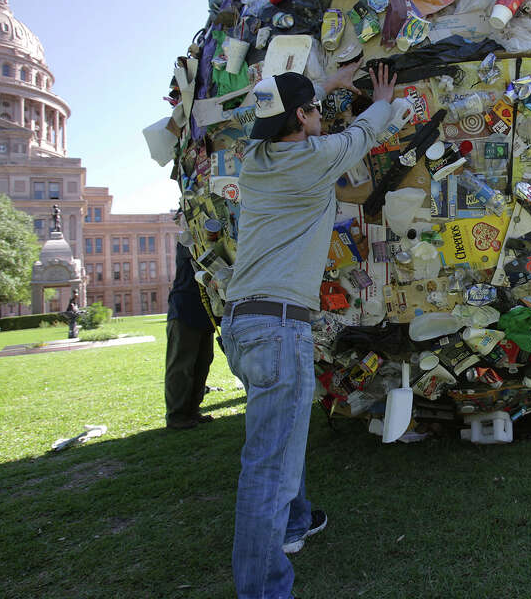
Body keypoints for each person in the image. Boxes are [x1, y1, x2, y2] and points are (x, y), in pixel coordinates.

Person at [222, 60, 397, 599]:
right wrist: (383, 96)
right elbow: (368, 131)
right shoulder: (314, 158)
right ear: (301, 117)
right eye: (315, 110)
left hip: (240, 326)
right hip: (277, 329)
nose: (321, 115)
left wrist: (327, 86)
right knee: (267, 470)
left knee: (278, 441)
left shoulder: (255, 158)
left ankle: (297, 522)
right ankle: (262, 591)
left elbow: (285, 111)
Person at [166, 241, 216, 430]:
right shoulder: (188, 240)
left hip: (203, 311)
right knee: (182, 364)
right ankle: (176, 415)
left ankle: (192, 410)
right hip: (185, 308)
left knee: (202, 362)